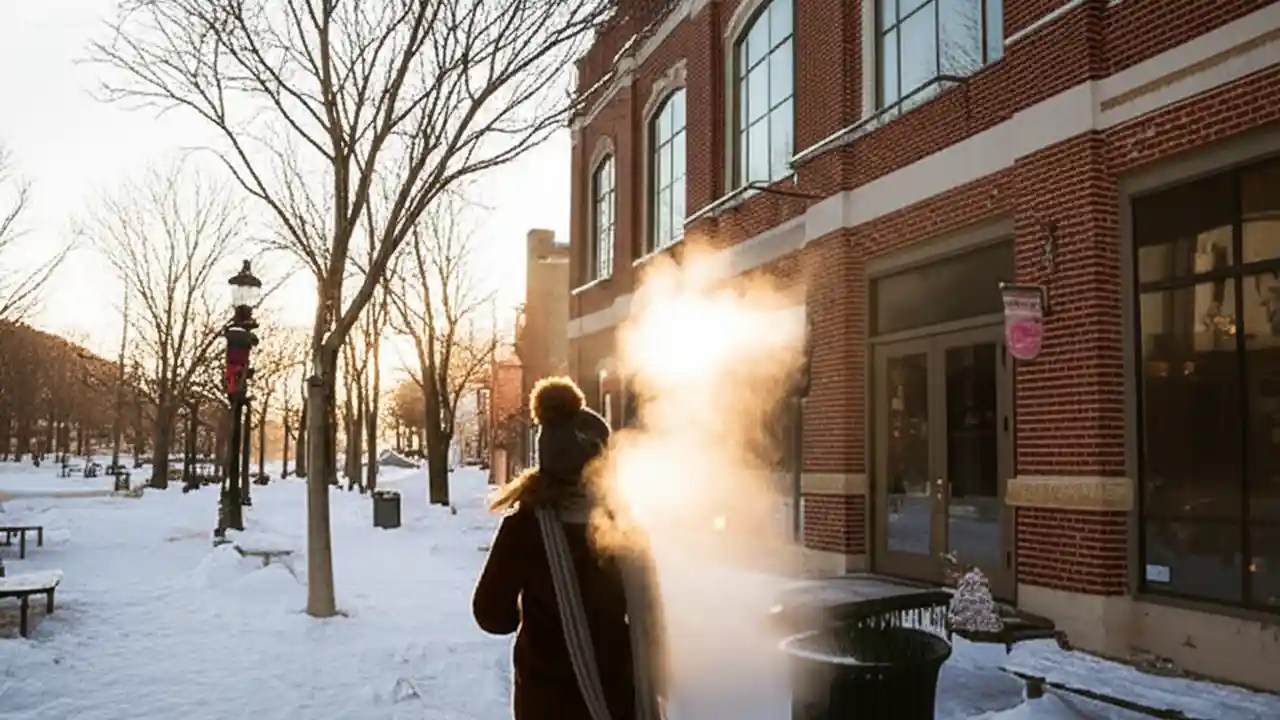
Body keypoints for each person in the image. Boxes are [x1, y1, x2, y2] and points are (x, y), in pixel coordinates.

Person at [473, 376, 667, 720]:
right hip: (619, 697)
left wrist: (537, 616)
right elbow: (650, 611)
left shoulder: (525, 528)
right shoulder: (625, 524)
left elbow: (490, 614)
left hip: (548, 703)